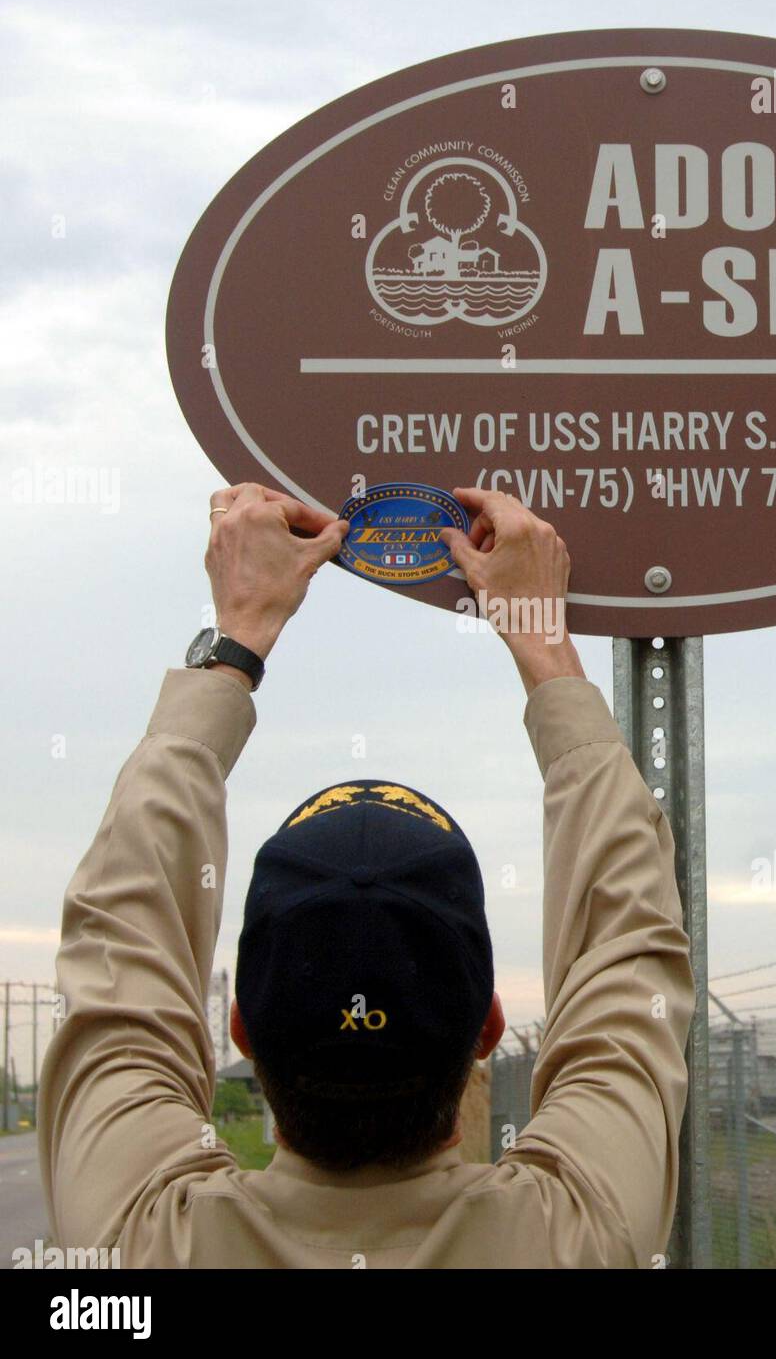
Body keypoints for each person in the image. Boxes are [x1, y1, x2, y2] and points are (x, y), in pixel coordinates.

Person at [38, 481, 695, 1269]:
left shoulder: (139, 1244)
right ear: (488, 1030)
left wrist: (238, 639)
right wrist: (541, 640)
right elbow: (629, 944)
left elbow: (121, 941)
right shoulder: (577, 1236)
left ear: (242, 1030)